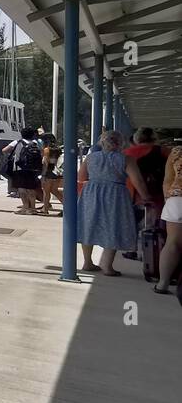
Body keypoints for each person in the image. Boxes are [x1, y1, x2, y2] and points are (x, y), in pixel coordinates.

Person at [78, 129, 150, 276]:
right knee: (113, 226)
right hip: (116, 194)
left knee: (89, 224)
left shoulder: (91, 158)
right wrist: (146, 197)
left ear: (102, 142)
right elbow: (138, 181)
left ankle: (87, 262)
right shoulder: (126, 159)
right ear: (120, 143)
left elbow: (81, 176)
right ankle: (107, 266)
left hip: (92, 192)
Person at [124, 128, 166, 260]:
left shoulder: (127, 153)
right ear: (154, 138)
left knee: (132, 224)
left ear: (136, 139)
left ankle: (131, 250)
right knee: (151, 225)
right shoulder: (164, 151)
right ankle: (148, 252)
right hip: (156, 194)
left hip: (129, 194)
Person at [156, 146, 182, 299]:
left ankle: (163, 283)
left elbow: (167, 180)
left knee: (173, 243)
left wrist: (168, 199)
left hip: (178, 199)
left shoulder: (177, 152)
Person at [4, 127, 44, 215]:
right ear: (33, 134)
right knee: (31, 188)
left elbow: (4, 150)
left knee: (22, 188)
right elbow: (42, 154)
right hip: (33, 169)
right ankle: (33, 208)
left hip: (20, 168)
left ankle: (25, 207)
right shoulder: (36, 143)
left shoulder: (18, 142)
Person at [38, 132, 64, 215]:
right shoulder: (58, 150)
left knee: (46, 192)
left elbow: (46, 163)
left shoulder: (47, 150)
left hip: (49, 172)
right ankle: (67, 207)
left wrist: (43, 175)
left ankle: (45, 209)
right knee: (54, 191)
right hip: (57, 173)